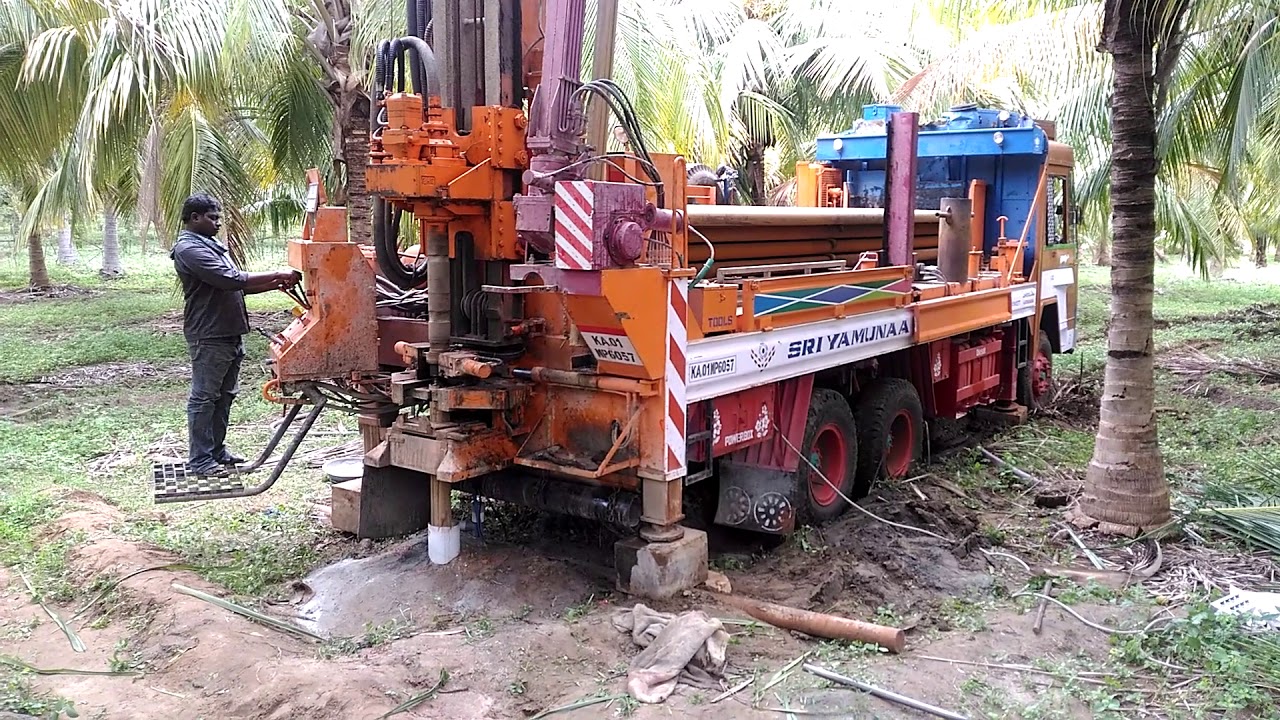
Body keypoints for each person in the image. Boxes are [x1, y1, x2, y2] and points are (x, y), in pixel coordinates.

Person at [170, 193, 299, 478]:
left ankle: (216, 451)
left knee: (225, 395)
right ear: (195, 218)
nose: (217, 223)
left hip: (229, 331)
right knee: (204, 397)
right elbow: (229, 279)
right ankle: (200, 460)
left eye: (218, 217)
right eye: (212, 218)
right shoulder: (189, 248)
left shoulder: (211, 244)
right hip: (209, 333)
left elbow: (237, 287)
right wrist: (276, 272)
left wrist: (275, 283)